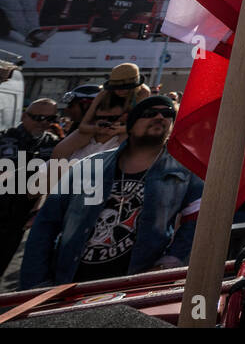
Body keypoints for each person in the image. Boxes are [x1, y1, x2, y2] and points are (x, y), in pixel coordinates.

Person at [21, 95, 204, 287]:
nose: (160, 117)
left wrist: (169, 262)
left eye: (168, 114)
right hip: (69, 281)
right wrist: (36, 282)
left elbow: (196, 222)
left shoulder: (185, 172)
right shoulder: (90, 165)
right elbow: (47, 223)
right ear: (131, 126)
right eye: (149, 113)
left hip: (131, 288)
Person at [0, 98, 60, 275]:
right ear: (24, 115)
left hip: (18, 217)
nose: (43, 123)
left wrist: (38, 210)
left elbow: (53, 180)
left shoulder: (53, 144)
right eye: (38, 118)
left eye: (50, 119)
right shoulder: (4, 138)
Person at [51, 64, 151, 162]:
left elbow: (140, 125)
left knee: (126, 150)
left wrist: (119, 129)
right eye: (117, 87)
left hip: (124, 132)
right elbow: (83, 126)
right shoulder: (104, 94)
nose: (120, 91)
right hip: (96, 131)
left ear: (134, 85)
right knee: (58, 153)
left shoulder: (143, 93)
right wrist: (96, 128)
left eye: (124, 87)